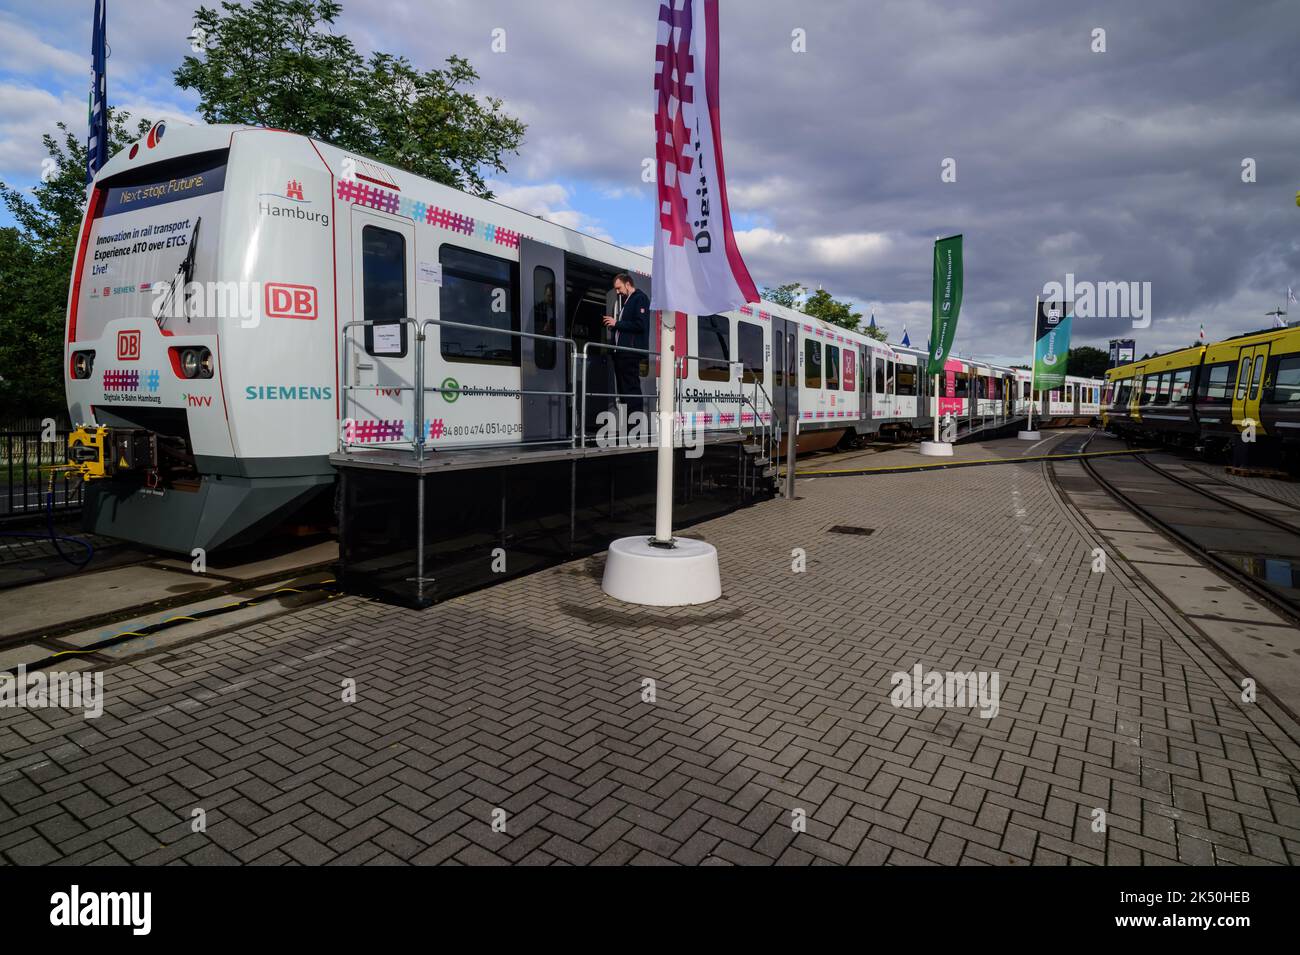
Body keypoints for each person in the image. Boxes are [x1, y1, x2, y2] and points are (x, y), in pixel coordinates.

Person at [603, 273, 649, 416]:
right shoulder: (627, 301)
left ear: (628, 284)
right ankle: (629, 429)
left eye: (619, 288)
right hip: (622, 353)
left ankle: (635, 430)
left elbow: (640, 324)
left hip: (630, 352)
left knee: (631, 390)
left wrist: (617, 323)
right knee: (624, 392)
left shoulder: (640, 298)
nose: (617, 292)